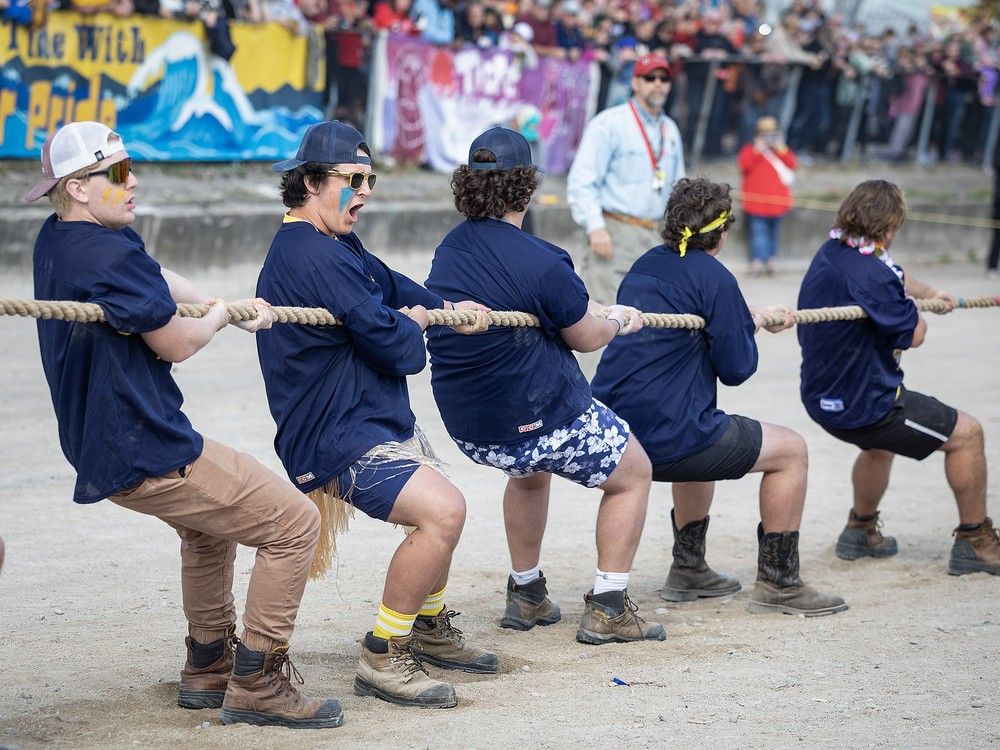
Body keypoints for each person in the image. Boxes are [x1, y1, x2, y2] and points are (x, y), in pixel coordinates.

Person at [26, 121, 341, 729]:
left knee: (208, 530)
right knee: (295, 524)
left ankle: (208, 665)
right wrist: (219, 318)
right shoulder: (106, 253)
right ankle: (259, 680)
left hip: (109, 445)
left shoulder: (60, 238)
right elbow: (175, 343)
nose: (133, 180)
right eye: (117, 172)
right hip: (148, 446)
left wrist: (227, 304)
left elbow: (154, 272)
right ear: (79, 187)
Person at [254, 120, 497, 709]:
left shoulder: (337, 244)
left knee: (441, 506)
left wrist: (448, 307)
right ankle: (384, 654)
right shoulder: (308, 254)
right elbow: (399, 347)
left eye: (370, 178)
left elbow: (388, 284)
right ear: (310, 182)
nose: (364, 190)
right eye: (352, 179)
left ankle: (428, 624)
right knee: (443, 513)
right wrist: (416, 325)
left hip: (364, 418)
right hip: (334, 433)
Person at [426, 126, 665, 646]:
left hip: (470, 428)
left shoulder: (449, 250)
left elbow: (555, 313)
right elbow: (584, 337)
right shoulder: (545, 259)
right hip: (533, 420)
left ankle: (527, 593)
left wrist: (588, 309)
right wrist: (620, 318)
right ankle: (608, 605)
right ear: (527, 189)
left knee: (530, 474)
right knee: (633, 471)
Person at [591, 177, 847, 617]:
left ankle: (689, 569)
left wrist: (739, 320)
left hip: (618, 428)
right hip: (668, 435)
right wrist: (751, 326)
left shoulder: (645, 265)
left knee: (707, 421)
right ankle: (780, 584)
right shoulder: (717, 278)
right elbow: (736, 369)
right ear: (723, 232)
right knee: (792, 451)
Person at [798, 180, 1000, 575]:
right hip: (869, 402)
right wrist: (916, 309)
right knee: (967, 435)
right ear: (890, 227)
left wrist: (935, 293)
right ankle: (975, 540)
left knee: (879, 447)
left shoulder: (834, 251)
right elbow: (916, 334)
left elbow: (897, 276)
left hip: (821, 395)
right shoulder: (872, 275)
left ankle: (859, 529)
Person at [567, 53, 685, 307]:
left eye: (664, 78)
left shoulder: (670, 130)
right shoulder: (609, 124)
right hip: (614, 231)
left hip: (656, 233)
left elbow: (679, 188)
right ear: (635, 83)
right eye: (650, 77)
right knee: (605, 313)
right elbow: (582, 179)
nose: (658, 83)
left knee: (649, 316)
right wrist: (595, 226)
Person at [737, 115, 797, 276]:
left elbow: (792, 163)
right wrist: (758, 149)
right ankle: (758, 261)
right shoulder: (750, 150)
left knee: (773, 234)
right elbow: (744, 165)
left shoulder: (781, 151)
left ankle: (771, 260)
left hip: (777, 203)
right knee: (758, 233)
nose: (768, 138)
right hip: (756, 204)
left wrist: (781, 147)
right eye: (764, 135)